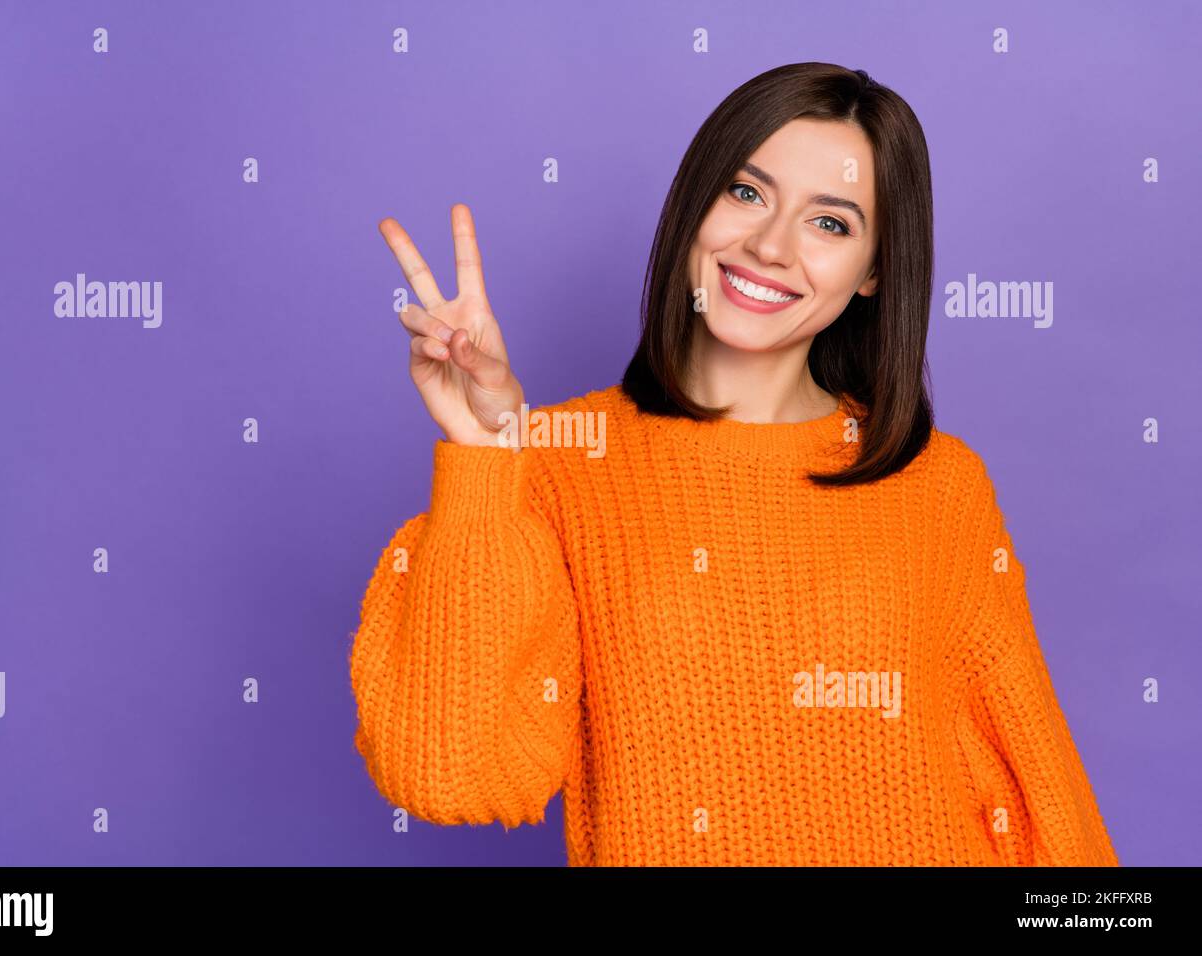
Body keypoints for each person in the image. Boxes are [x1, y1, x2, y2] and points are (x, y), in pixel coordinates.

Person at [348, 62, 1118, 866]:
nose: (771, 246)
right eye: (747, 193)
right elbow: (449, 771)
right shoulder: (553, 466)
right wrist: (484, 460)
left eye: (832, 223)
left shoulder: (939, 484)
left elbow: (1041, 793)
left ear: (876, 273)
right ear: (694, 204)